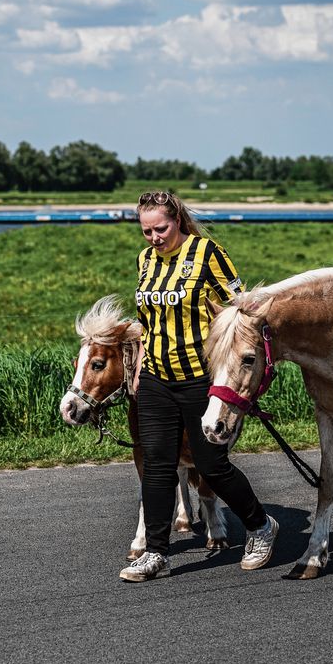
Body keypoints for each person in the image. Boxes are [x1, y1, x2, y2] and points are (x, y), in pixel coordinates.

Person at [119, 189, 278, 582]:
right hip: (156, 377)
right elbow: (148, 318)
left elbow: (243, 309)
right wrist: (139, 364)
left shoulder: (207, 253)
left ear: (177, 220)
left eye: (161, 229)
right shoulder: (145, 260)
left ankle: (260, 526)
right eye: (146, 232)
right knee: (158, 466)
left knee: (211, 465)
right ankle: (157, 553)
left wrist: (247, 367)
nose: (154, 238)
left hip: (198, 379)